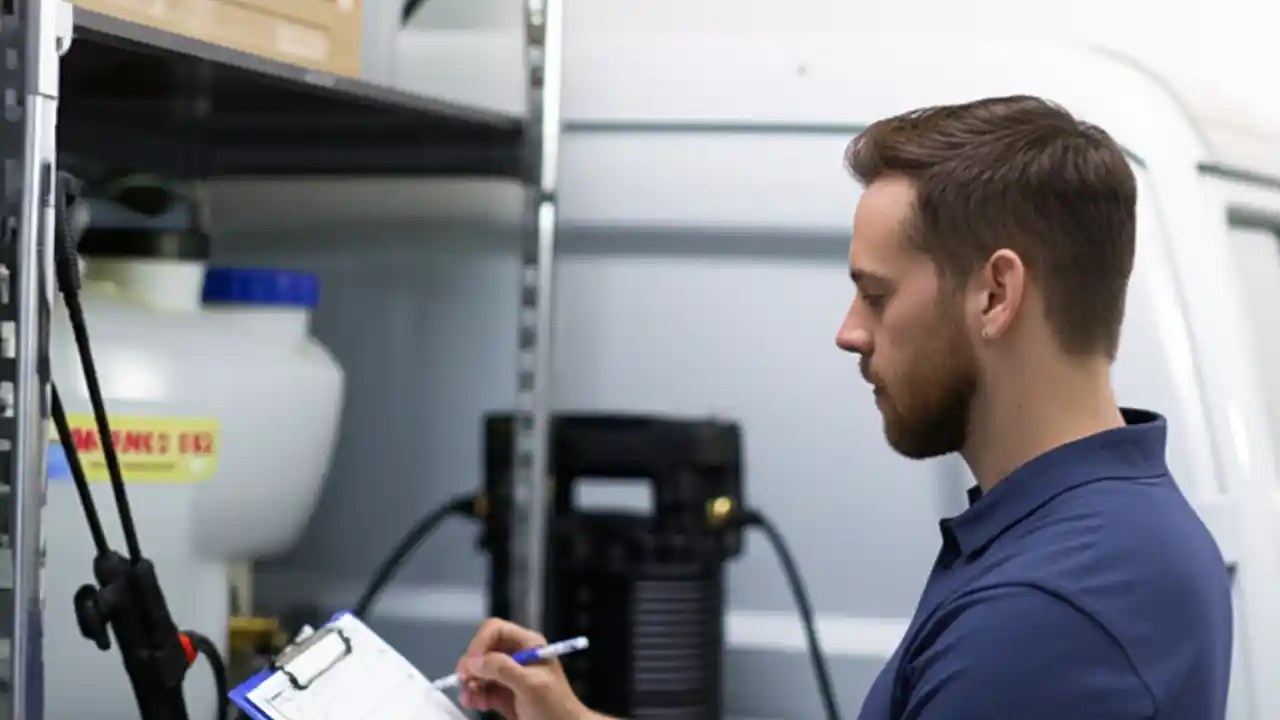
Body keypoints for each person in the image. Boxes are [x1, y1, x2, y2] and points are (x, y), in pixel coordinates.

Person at [450, 95, 1234, 719]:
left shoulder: (1044, 616)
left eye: (876, 294)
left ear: (995, 294)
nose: (849, 331)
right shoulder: (1111, 534)